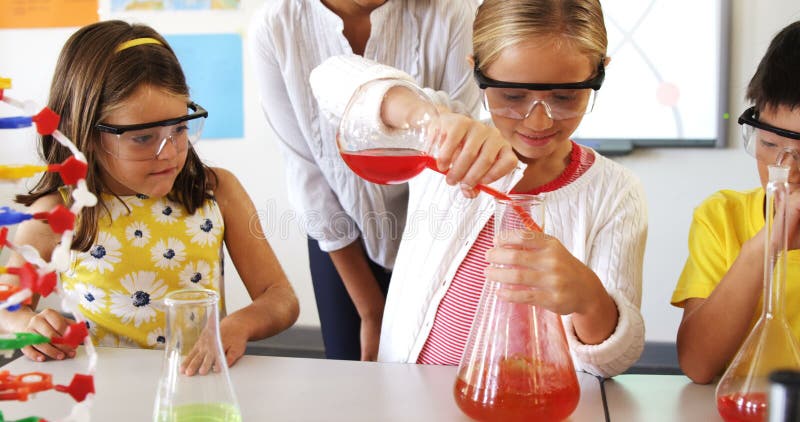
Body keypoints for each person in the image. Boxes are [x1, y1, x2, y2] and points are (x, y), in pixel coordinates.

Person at [311, 0, 647, 377]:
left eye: (565, 97)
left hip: (524, 407)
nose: (538, 120)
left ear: (600, 73)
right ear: (478, 71)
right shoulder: (447, 139)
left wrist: (590, 301)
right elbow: (329, 77)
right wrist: (428, 119)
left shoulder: (616, 194)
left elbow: (616, 361)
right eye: (513, 96)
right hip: (407, 398)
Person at [0, 20, 300, 373]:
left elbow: (280, 298)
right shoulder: (59, 211)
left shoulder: (217, 192)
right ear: (85, 132)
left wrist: (240, 324)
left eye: (179, 128)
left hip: (196, 388)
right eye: (143, 138)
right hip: (106, 394)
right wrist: (26, 325)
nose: (169, 152)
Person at [249, 0, 481, 361]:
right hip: (338, 235)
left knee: (430, 373)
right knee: (350, 373)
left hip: (433, 230)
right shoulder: (277, 24)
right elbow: (306, 170)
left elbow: (455, 140)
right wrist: (371, 311)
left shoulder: (451, 13)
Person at [672, 20, 800, 384]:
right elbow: (698, 365)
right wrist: (763, 248)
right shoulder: (723, 217)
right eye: (770, 145)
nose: (787, 172)